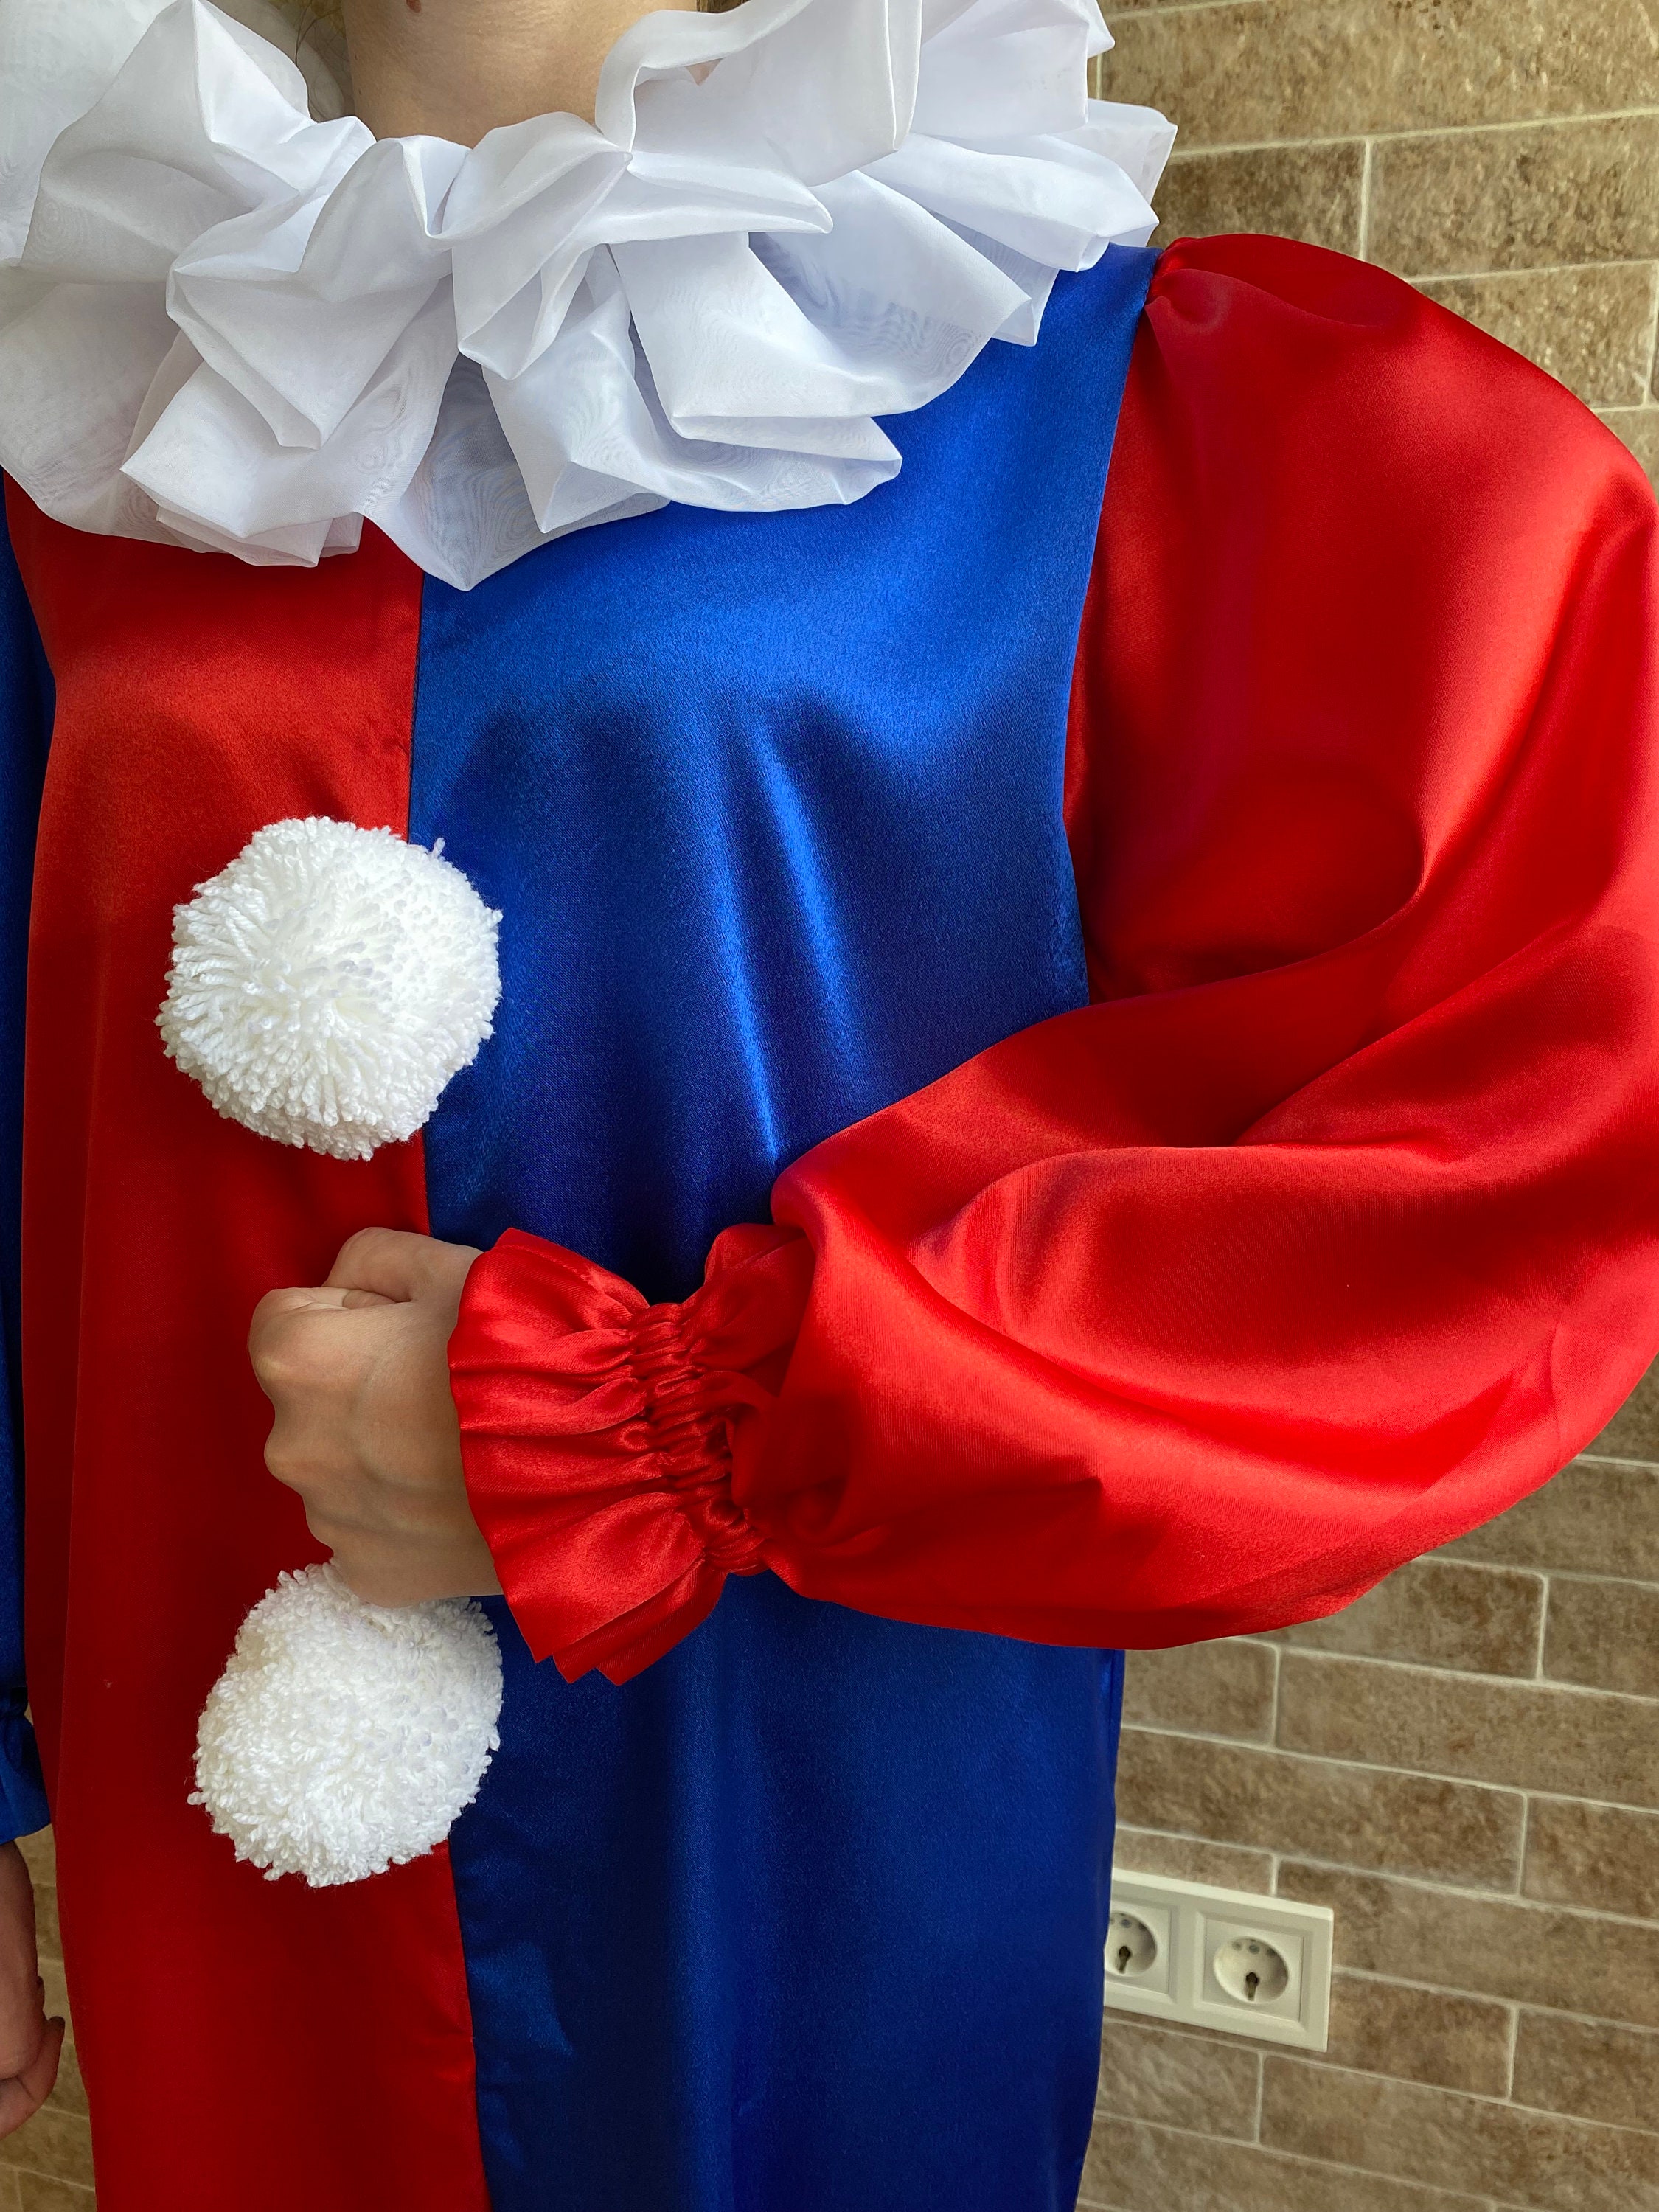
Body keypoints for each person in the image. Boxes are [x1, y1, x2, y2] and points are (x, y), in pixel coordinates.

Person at [0, 0, 1655, 2202]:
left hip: (818, 1759)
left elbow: (1534, 1110)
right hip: (206, 1767)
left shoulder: (1132, 389)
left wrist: (687, 1413)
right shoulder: (91, 405)